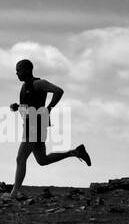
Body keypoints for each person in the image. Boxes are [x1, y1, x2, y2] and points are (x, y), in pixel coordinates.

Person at [8, 58, 90, 199]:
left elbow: (58, 91)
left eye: (18, 70)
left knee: (20, 158)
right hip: (31, 124)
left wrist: (50, 108)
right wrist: (18, 107)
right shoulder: (24, 87)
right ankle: (75, 152)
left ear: (27, 70)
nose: (17, 73)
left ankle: (14, 193)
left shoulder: (39, 83)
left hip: (36, 125)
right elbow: (30, 106)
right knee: (42, 160)